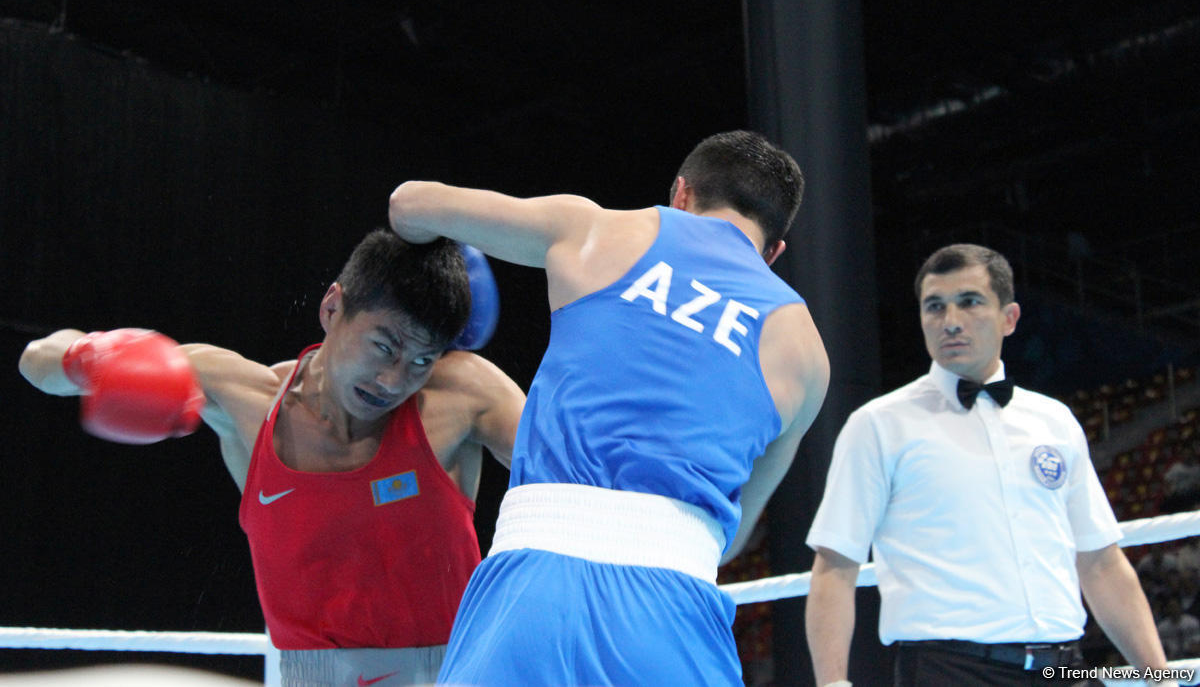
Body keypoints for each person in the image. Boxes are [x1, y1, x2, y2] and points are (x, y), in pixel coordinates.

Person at [388, 130, 830, 685]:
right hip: (672, 608)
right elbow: (732, 536)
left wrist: (445, 272)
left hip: (532, 590)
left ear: (681, 193)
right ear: (773, 253)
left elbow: (408, 204)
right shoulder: (807, 355)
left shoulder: (596, 228)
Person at [18, 230, 525, 687]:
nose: (393, 380)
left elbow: (576, 470)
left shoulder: (462, 392)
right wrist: (92, 358)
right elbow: (37, 360)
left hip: (464, 671)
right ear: (332, 308)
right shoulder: (249, 401)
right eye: (382, 346)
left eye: (420, 360)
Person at [805, 243, 1174, 687]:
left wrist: (1160, 679)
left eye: (970, 302)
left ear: (1009, 317)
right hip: (949, 671)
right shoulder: (880, 425)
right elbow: (834, 566)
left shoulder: (1053, 420)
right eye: (935, 307)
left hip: (1065, 667)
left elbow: (1100, 562)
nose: (951, 321)